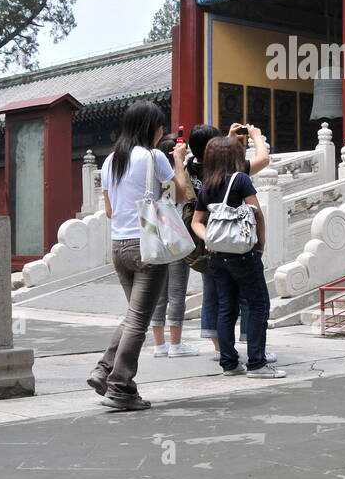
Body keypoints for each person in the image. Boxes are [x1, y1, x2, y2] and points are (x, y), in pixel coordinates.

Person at [86, 100, 189, 411]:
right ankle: (120, 387)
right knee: (138, 322)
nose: (162, 132)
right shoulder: (154, 156)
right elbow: (182, 194)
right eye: (160, 126)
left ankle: (105, 370)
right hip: (147, 246)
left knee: (134, 316)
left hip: (118, 246)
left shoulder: (109, 161)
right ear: (151, 128)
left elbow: (108, 209)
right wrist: (180, 161)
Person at [191, 136, 285, 379]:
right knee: (258, 305)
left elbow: (196, 222)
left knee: (226, 308)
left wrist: (210, 240)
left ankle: (229, 363)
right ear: (234, 157)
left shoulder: (206, 185)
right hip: (243, 254)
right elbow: (258, 214)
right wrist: (260, 245)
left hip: (217, 256)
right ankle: (257, 364)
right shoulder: (240, 179)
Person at [149, 134, 198, 358]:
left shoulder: (152, 175)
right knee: (177, 292)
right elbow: (181, 198)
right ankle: (176, 345)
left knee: (159, 293)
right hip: (175, 237)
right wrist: (180, 163)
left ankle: (160, 345)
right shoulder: (174, 174)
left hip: (156, 236)